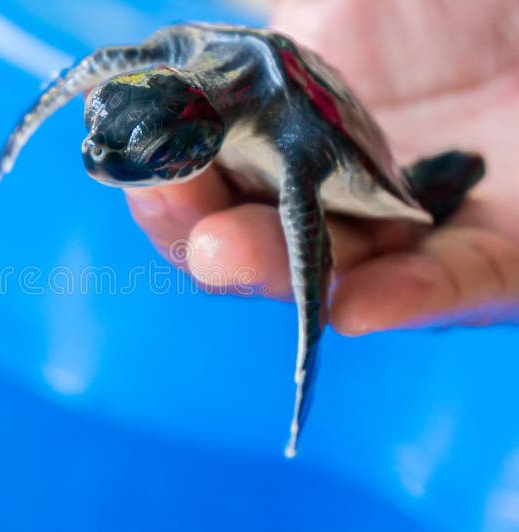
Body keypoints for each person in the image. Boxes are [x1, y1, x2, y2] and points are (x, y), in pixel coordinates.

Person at [124, 0, 519, 334]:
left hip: (346, 153)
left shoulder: (294, 138)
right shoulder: (186, 60)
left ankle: (444, 184)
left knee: (415, 204)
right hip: (305, 113)